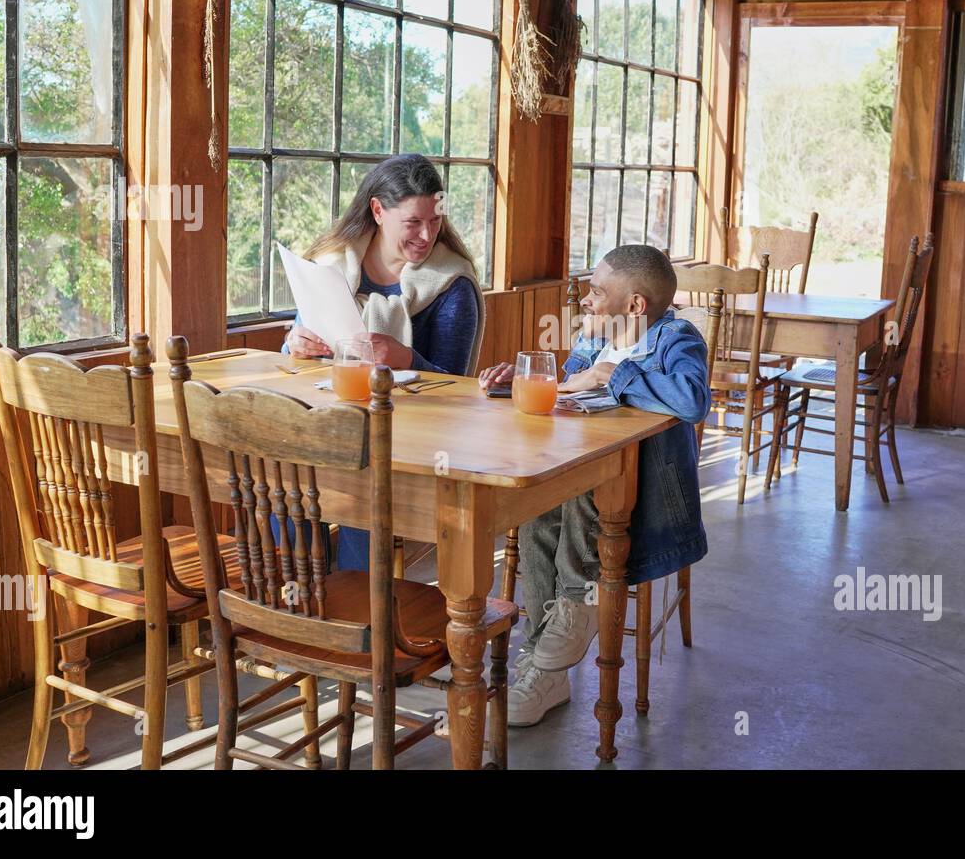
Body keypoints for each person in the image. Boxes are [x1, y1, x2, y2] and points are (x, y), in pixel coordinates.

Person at [477, 244, 710, 726]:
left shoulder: (675, 339)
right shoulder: (592, 340)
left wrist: (614, 373)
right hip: (586, 486)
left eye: (597, 292)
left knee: (585, 487)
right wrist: (512, 382)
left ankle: (572, 617)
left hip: (643, 504)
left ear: (636, 306)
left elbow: (692, 401)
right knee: (537, 504)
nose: (584, 299)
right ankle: (548, 663)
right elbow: (563, 400)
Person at [283, 154, 485, 568]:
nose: (426, 234)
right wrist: (294, 344)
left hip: (407, 441)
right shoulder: (330, 265)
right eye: (413, 222)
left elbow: (456, 393)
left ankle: (361, 620)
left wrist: (406, 357)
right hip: (328, 423)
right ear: (377, 210)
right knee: (280, 486)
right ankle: (300, 606)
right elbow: (300, 358)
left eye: (435, 221)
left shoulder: (451, 285)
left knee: (360, 495)